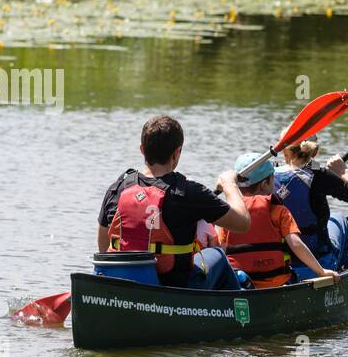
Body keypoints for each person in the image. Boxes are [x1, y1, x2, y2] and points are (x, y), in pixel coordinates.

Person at [98, 115, 250, 290]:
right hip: (177, 288)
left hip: (121, 282)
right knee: (217, 256)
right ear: (177, 152)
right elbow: (243, 223)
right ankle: (233, 314)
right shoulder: (190, 192)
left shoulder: (117, 188)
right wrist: (229, 184)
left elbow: (103, 244)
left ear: (142, 149)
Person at [216, 153, 340, 288]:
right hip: (277, 284)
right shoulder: (278, 211)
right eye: (273, 179)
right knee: (340, 221)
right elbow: (296, 244)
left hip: (241, 284)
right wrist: (321, 271)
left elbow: (222, 249)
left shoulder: (230, 213)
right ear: (264, 183)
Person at [273, 139, 348, 278]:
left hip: (279, 262)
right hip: (320, 262)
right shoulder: (320, 175)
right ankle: (347, 274)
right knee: (339, 219)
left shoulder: (267, 177)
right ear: (314, 152)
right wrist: (343, 171)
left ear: (283, 151)